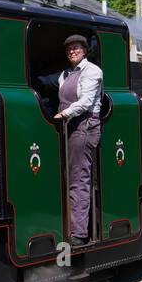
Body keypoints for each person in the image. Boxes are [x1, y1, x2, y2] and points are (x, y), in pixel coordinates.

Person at [55, 34, 103, 246]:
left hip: (85, 126)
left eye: (76, 48)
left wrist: (64, 114)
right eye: (69, 49)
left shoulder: (92, 71)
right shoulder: (64, 75)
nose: (72, 51)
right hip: (69, 127)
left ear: (84, 50)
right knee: (68, 178)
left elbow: (85, 102)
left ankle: (80, 233)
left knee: (79, 179)